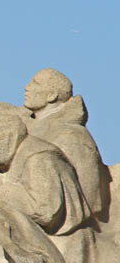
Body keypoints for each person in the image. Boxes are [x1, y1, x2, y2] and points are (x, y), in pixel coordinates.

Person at [0, 114, 88, 237]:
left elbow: (44, 211)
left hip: (63, 242)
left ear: (6, 138)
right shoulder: (14, 158)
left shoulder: (39, 158)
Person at [23, 67, 108, 219]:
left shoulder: (72, 135)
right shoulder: (29, 129)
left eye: (35, 83)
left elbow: (90, 199)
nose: (27, 87)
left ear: (52, 95)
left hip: (60, 222)